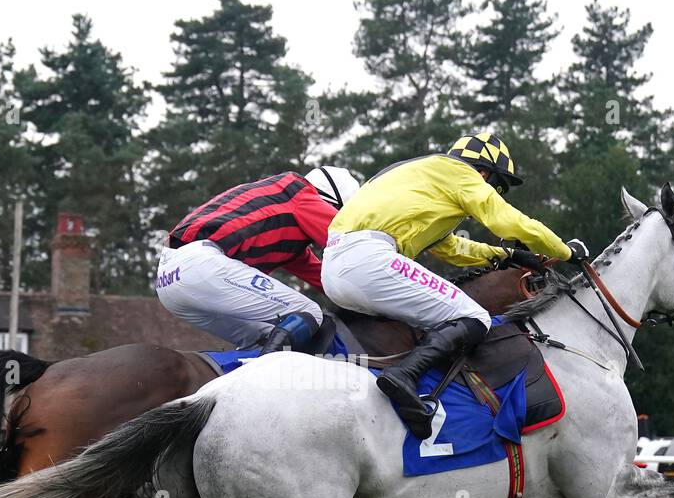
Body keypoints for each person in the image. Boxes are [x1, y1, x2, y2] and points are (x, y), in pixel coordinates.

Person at [322, 131, 588, 437]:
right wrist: (566, 252)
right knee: (475, 317)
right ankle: (403, 376)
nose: (493, 193)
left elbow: (451, 248)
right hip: (368, 260)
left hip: (338, 267)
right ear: (484, 172)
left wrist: (508, 255)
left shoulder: (427, 178)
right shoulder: (460, 172)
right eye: (495, 186)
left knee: (436, 321)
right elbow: (508, 221)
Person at [155, 166, 360, 354]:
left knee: (262, 338)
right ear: (331, 205)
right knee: (308, 312)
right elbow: (352, 248)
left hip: (167, 281)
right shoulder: (303, 195)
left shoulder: (288, 231)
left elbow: (323, 278)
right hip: (200, 264)